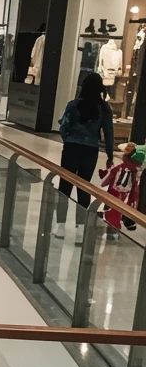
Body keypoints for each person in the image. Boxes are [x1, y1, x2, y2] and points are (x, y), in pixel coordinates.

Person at [55, 72, 114, 243]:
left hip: (72, 148)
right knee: (84, 187)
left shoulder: (73, 105)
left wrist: (68, 140)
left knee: (65, 186)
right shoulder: (104, 108)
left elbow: (63, 126)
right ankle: (81, 230)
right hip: (90, 150)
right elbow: (108, 133)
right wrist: (110, 154)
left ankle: (60, 227)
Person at [98, 142, 143, 235]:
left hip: (113, 194)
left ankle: (112, 231)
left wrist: (104, 176)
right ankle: (122, 225)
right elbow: (136, 188)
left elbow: (104, 182)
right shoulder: (137, 172)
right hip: (127, 197)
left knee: (112, 212)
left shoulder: (118, 168)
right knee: (120, 212)